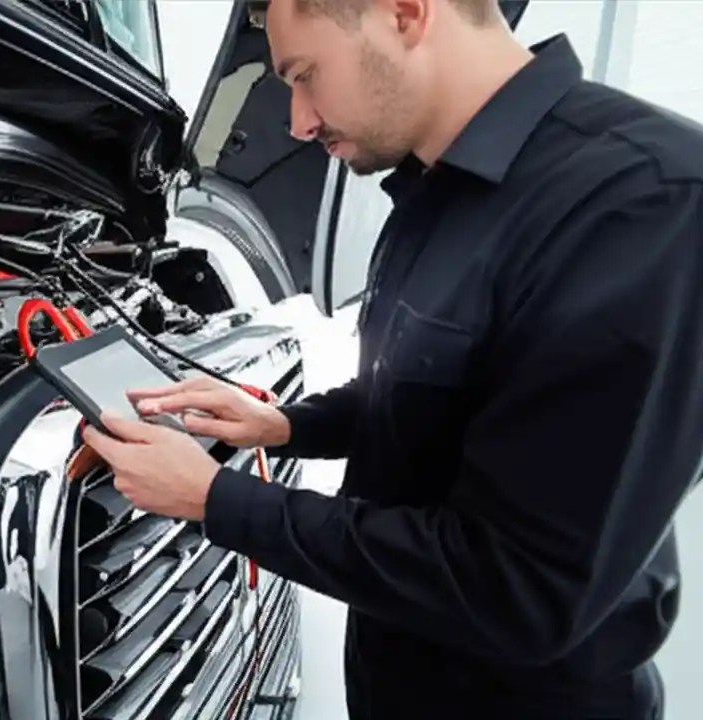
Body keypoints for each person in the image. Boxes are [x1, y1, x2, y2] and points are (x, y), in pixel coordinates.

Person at [79, 0, 703, 717]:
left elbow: (518, 587)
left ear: (404, 12)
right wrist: (284, 424)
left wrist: (217, 500)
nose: (299, 123)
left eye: (305, 76)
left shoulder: (646, 205)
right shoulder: (432, 191)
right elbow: (436, 390)